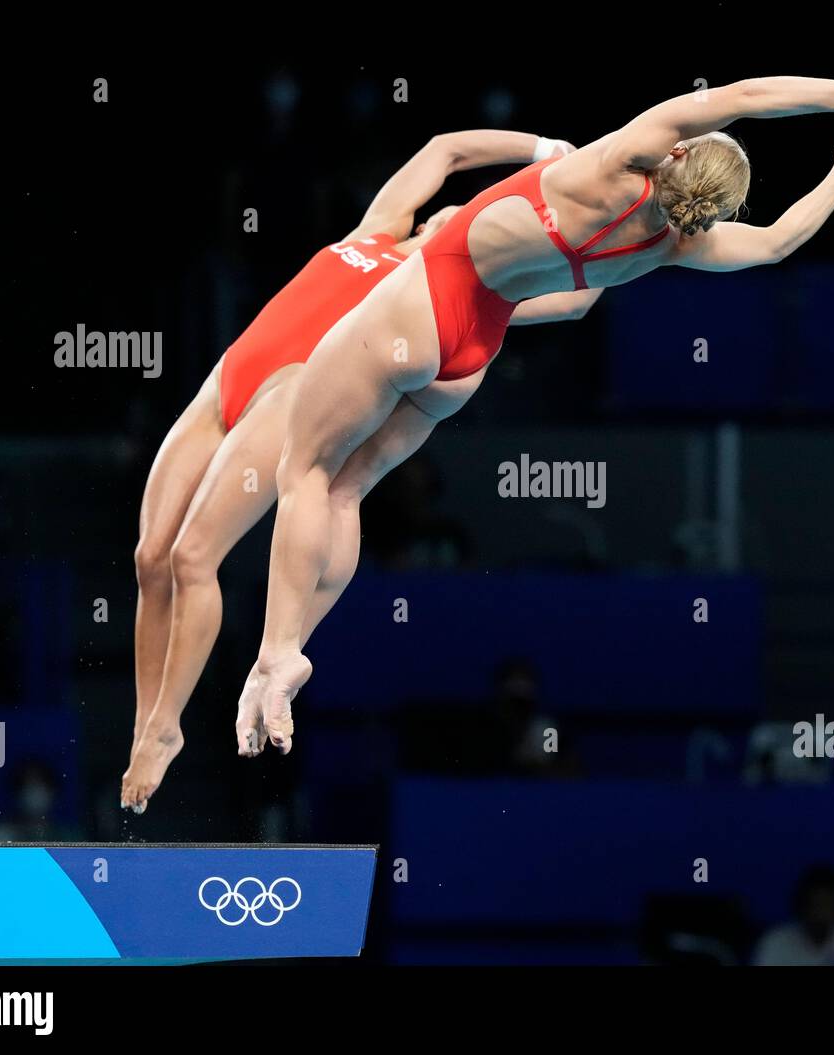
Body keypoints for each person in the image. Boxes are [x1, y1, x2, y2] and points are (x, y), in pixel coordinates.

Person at [228, 75, 834, 786]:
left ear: (679, 153)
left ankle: (278, 649)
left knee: (306, 471)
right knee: (349, 494)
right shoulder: (672, 246)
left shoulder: (616, 161)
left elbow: (747, 95)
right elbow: (774, 244)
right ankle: (289, 658)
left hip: (425, 298)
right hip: (473, 349)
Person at [121, 130, 599, 812]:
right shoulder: (376, 229)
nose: (450, 214)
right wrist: (549, 150)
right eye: (448, 211)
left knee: (194, 556)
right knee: (150, 557)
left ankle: (166, 727)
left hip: (284, 392)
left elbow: (578, 297)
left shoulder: (454, 294)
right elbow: (444, 150)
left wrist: (601, 226)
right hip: (227, 378)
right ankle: (144, 715)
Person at [752, 864, 834, 966]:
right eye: (816, 905)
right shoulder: (774, 942)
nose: (822, 913)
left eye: (828, 905)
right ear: (802, 906)